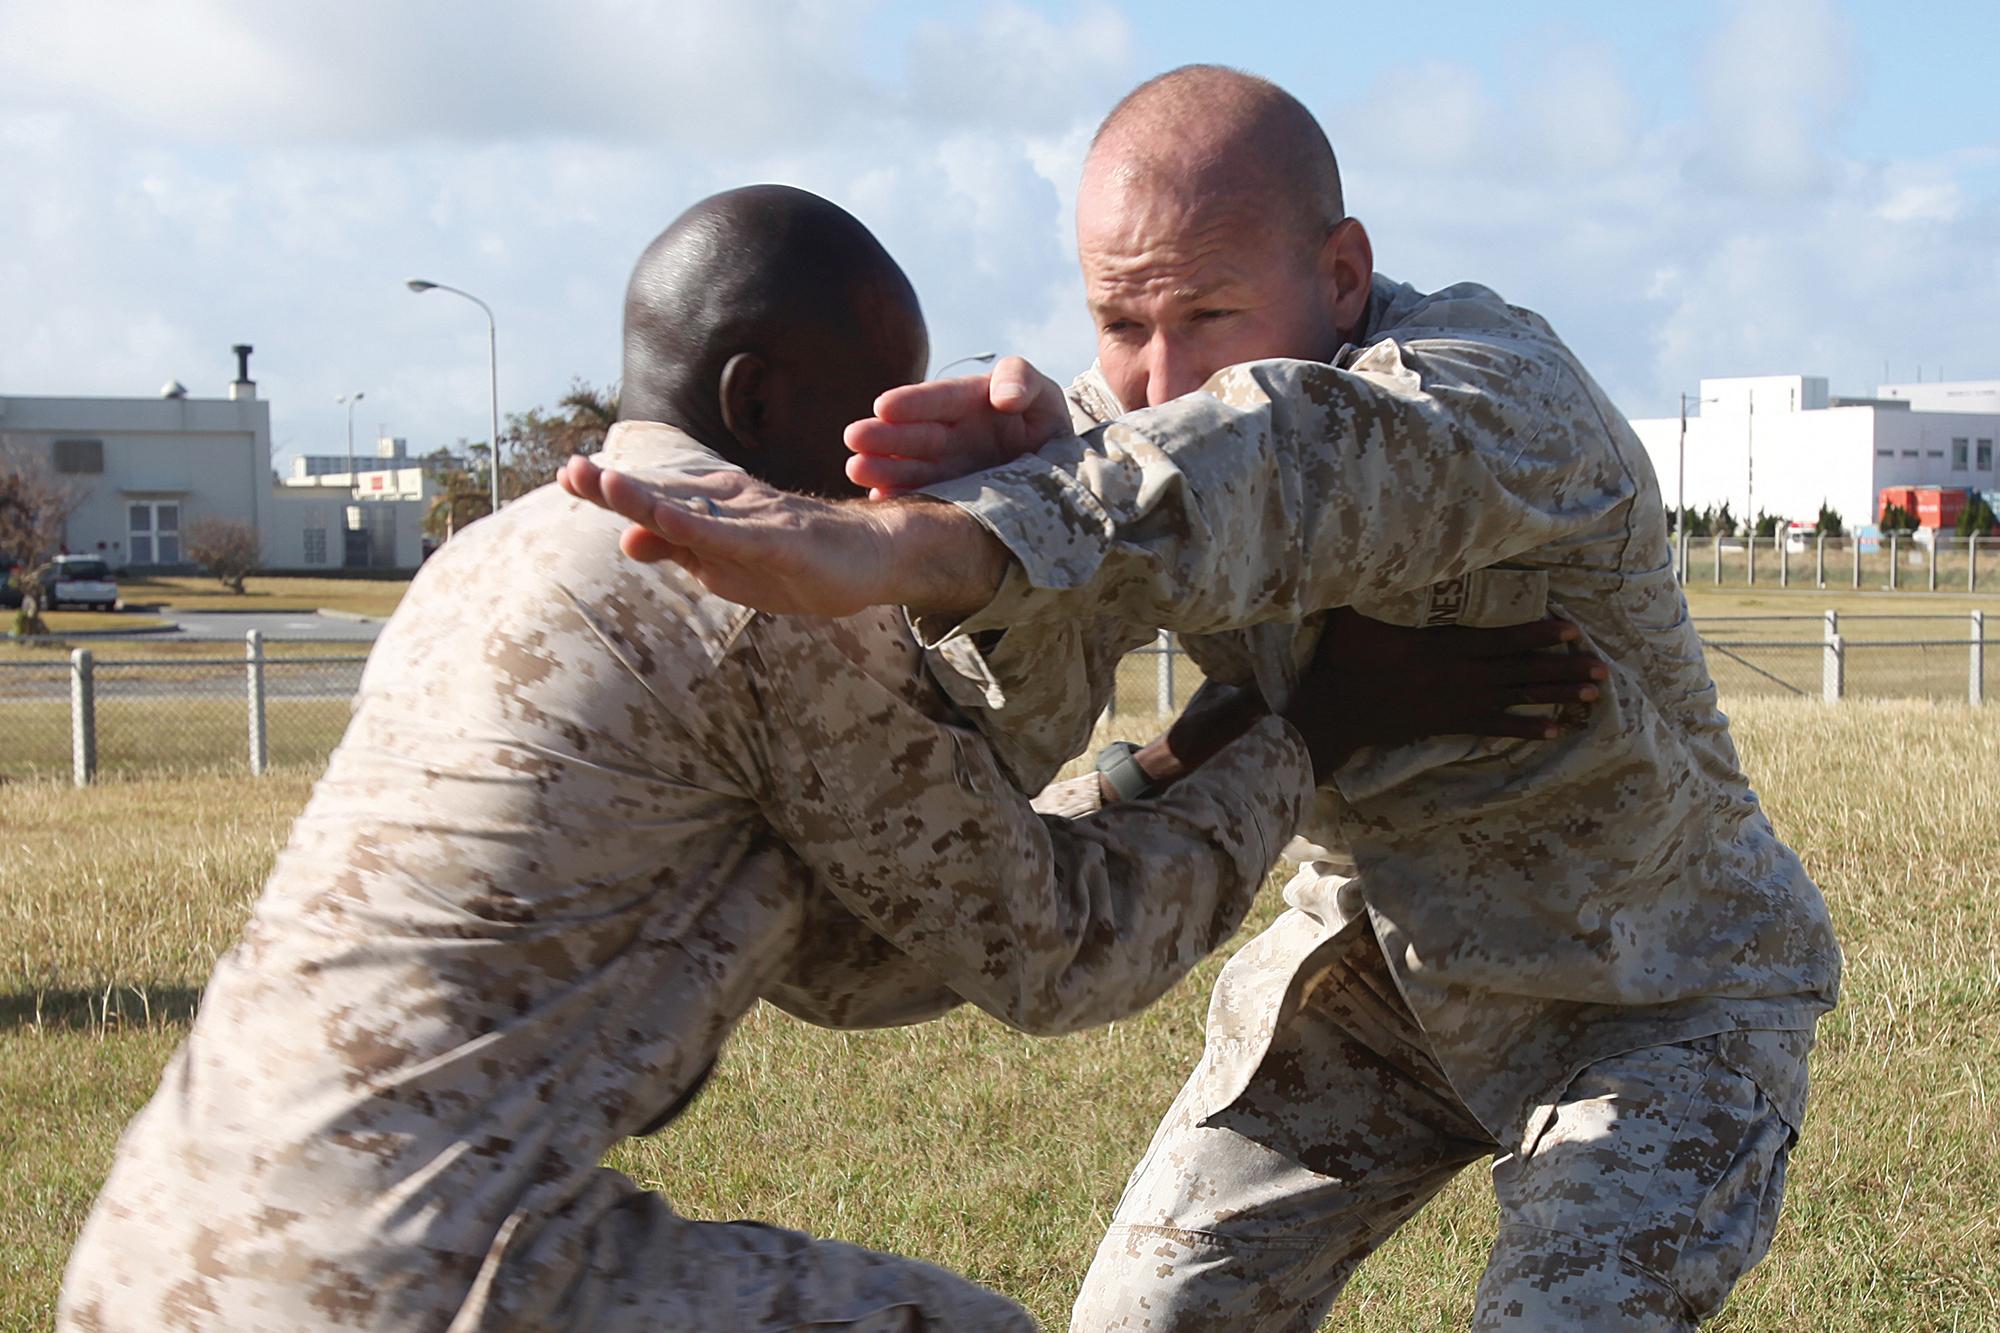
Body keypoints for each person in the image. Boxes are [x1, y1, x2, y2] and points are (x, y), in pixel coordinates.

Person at [58, 184, 1600, 1333]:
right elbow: (1054, 952)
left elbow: (858, 953)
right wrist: (1317, 724)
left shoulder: (495, 557)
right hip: (419, 1280)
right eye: (868, 417)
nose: (890, 468)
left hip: (161, 1261)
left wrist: (1183, 746)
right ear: (762, 404)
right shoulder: (742, 593)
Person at [569, 69, 1842, 1331]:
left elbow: (1281, 458)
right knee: (1144, 1317)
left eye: (1208, 314)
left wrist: (943, 535)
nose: (1157, 376)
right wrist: (991, 569)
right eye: (1120, 325)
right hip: (1381, 968)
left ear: (1340, 274)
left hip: (1656, 986)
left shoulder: (1490, 392)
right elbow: (1003, 732)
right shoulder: (1096, 437)